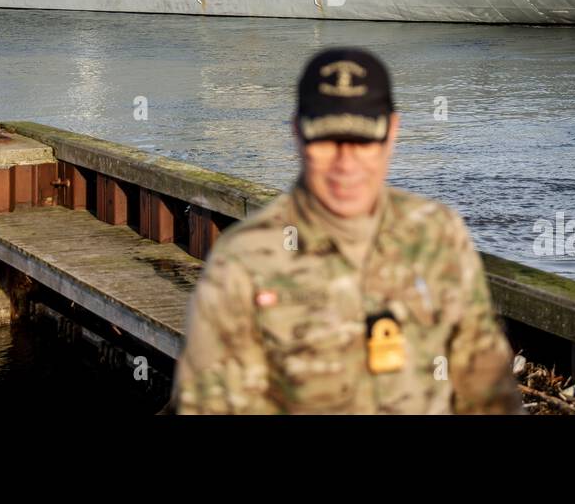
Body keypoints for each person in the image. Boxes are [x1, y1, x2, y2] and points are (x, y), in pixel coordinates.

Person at [172, 48, 525, 415]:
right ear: (296, 133)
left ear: (392, 133)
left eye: (362, 141)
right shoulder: (243, 260)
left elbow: (487, 389)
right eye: (326, 140)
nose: (345, 163)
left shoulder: (436, 234)